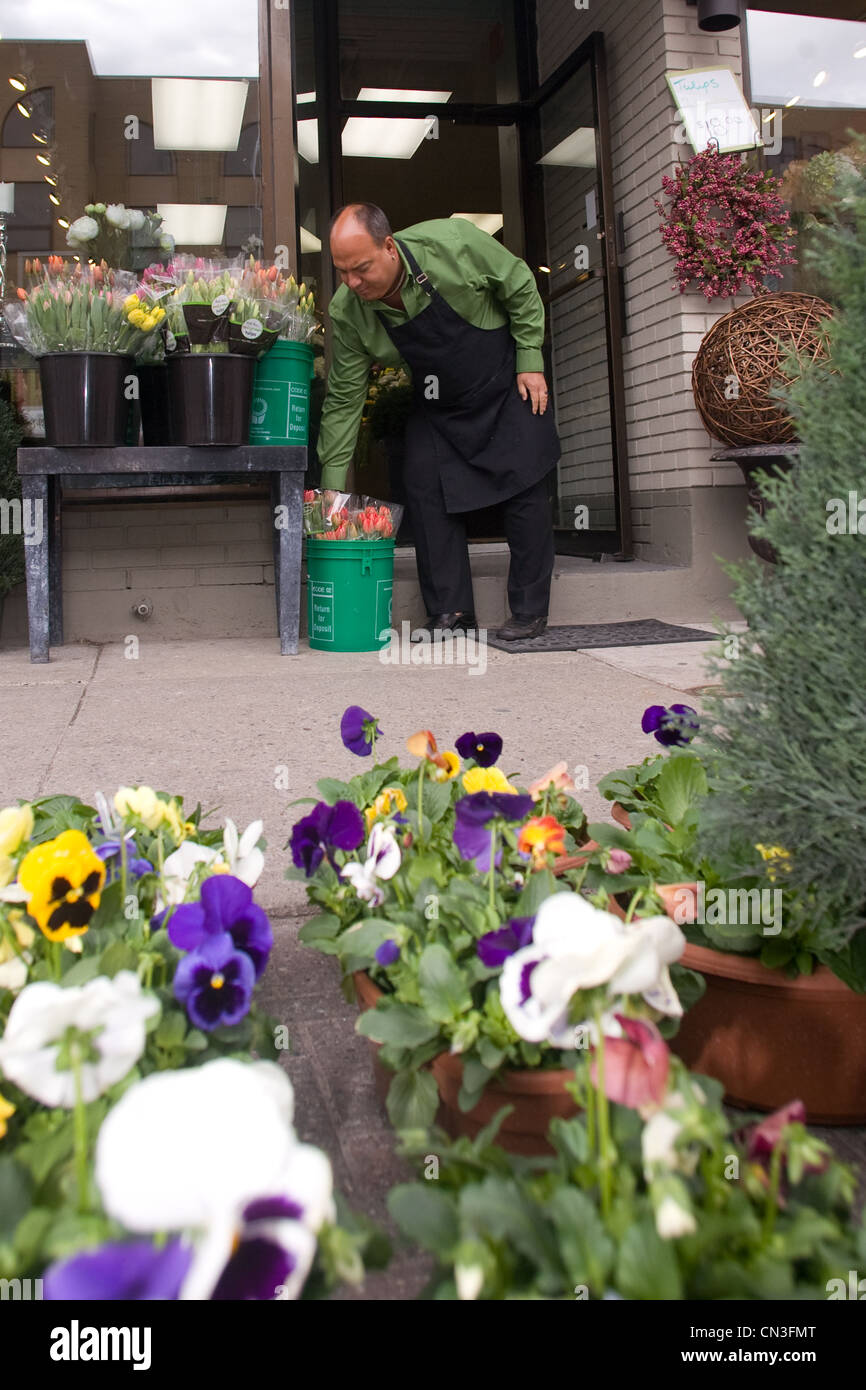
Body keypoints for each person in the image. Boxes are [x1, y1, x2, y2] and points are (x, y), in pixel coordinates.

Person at [317, 203, 560, 640]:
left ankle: (529, 611)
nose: (352, 282)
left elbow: (520, 282)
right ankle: (452, 613)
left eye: (362, 268)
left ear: (389, 247)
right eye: (342, 271)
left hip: (505, 382)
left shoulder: (453, 244)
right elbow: (344, 397)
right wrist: (332, 491)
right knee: (422, 481)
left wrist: (530, 359)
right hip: (437, 400)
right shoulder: (347, 310)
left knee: (525, 481)